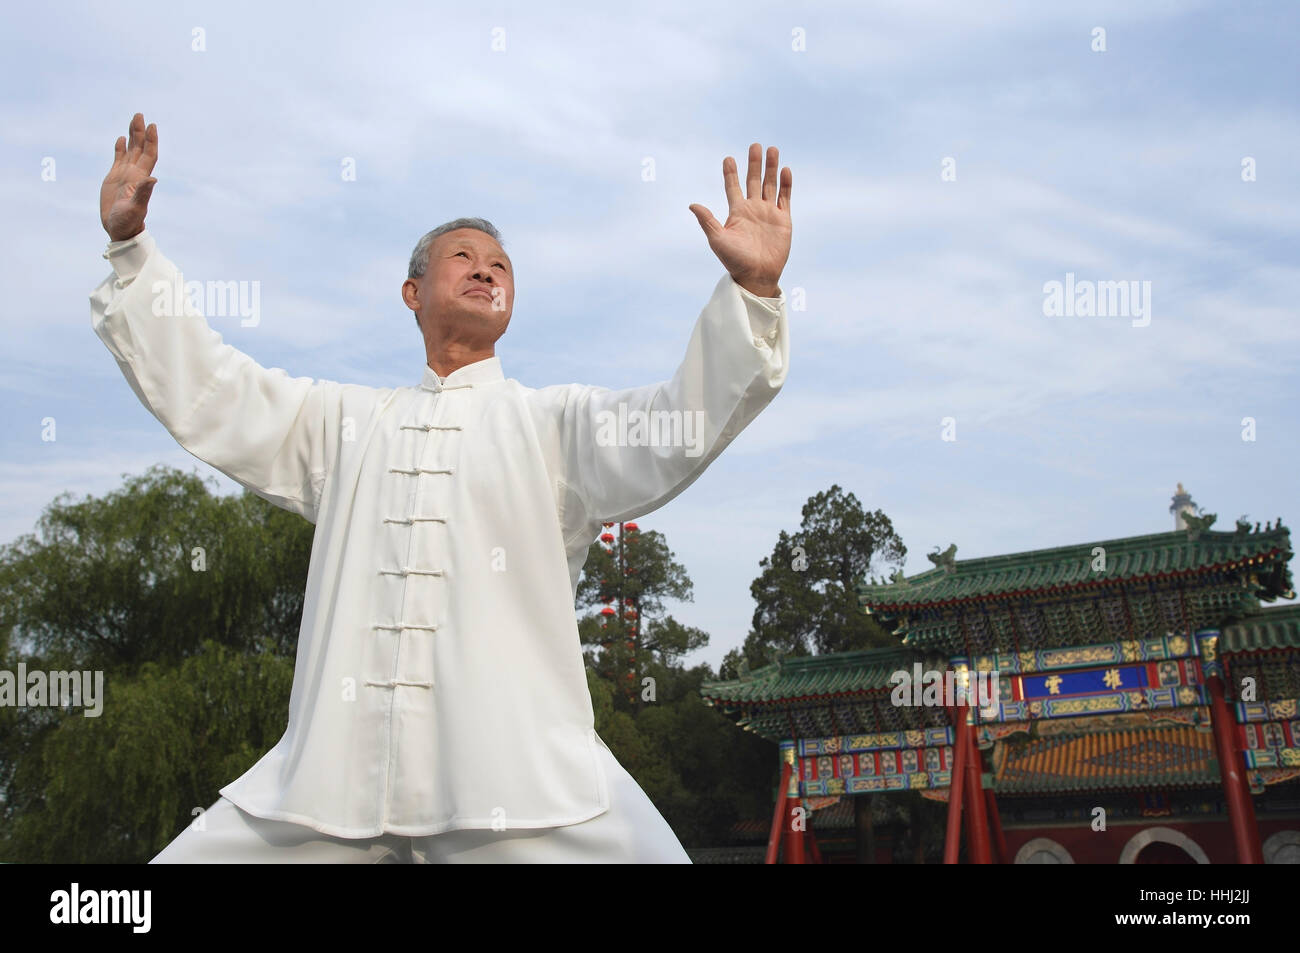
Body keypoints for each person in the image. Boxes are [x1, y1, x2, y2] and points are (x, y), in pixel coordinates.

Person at [92, 113, 793, 863]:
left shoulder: (552, 424)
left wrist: (752, 287)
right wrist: (132, 251)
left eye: (501, 265)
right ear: (412, 291)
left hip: (525, 788)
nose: (487, 269)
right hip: (325, 790)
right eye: (463, 256)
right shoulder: (343, 422)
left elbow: (672, 423)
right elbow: (214, 390)